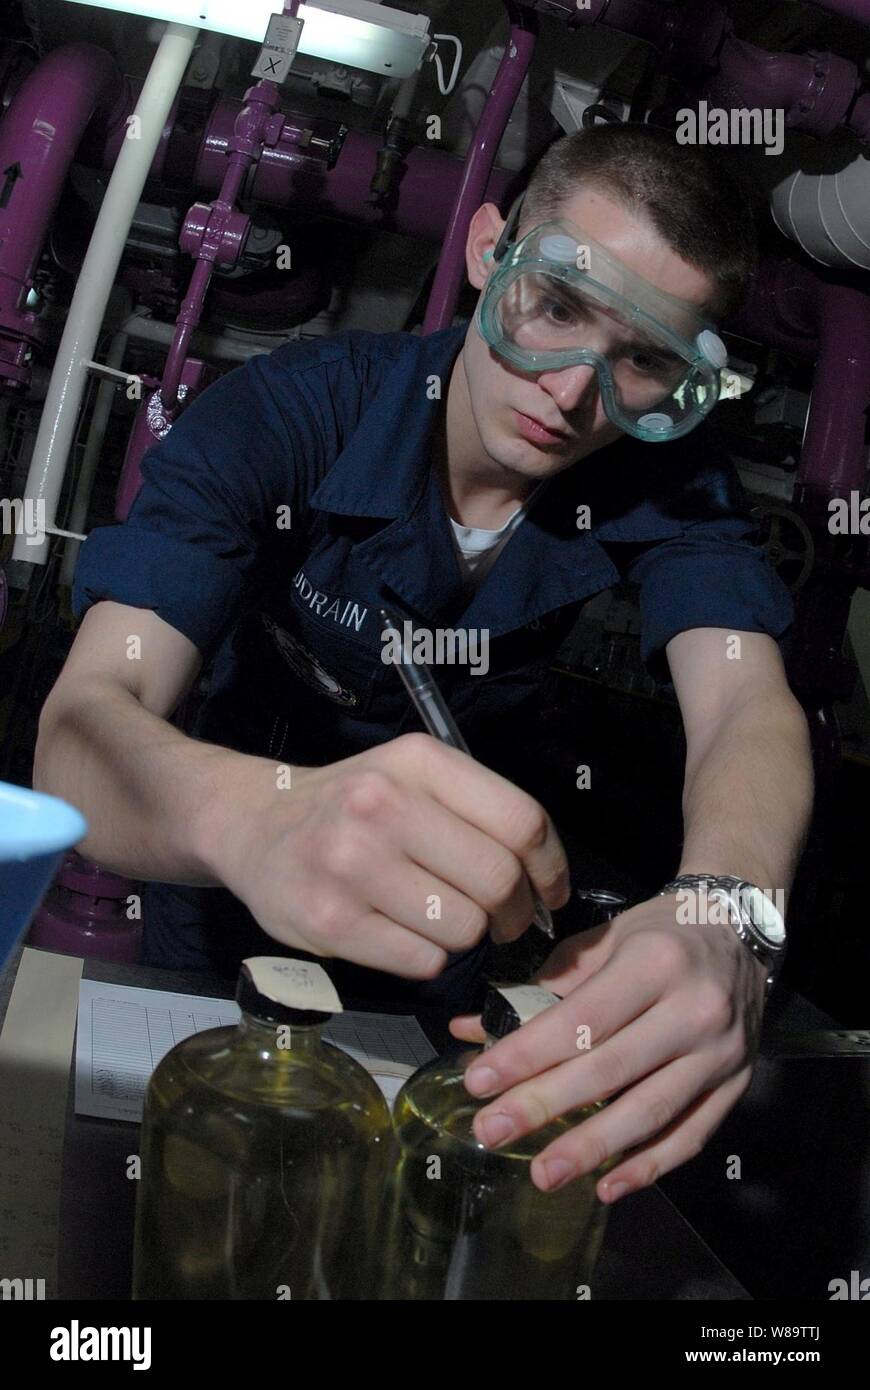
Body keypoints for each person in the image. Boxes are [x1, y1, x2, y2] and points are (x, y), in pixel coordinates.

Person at [34, 123, 813, 1203]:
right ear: (490, 250)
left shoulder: (665, 477)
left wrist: (729, 910)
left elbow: (742, 702)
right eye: (558, 308)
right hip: (221, 903)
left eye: (640, 359)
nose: (575, 393)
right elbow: (83, 727)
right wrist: (254, 811)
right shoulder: (288, 414)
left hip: (452, 937)